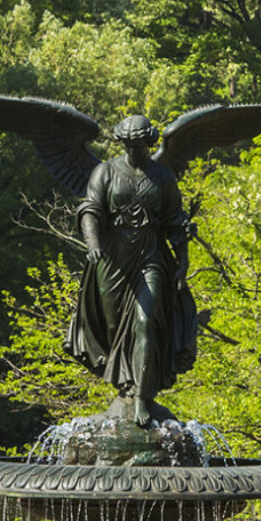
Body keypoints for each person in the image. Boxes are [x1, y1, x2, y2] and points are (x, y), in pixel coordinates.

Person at [70, 113, 195, 428]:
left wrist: (183, 260)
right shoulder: (105, 172)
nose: (133, 149)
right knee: (114, 330)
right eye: (128, 143)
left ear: (149, 142)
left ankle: (141, 395)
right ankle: (124, 391)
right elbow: (90, 210)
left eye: (138, 144)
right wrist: (93, 244)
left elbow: (175, 220)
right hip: (112, 261)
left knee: (144, 321)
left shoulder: (162, 176)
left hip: (150, 258)